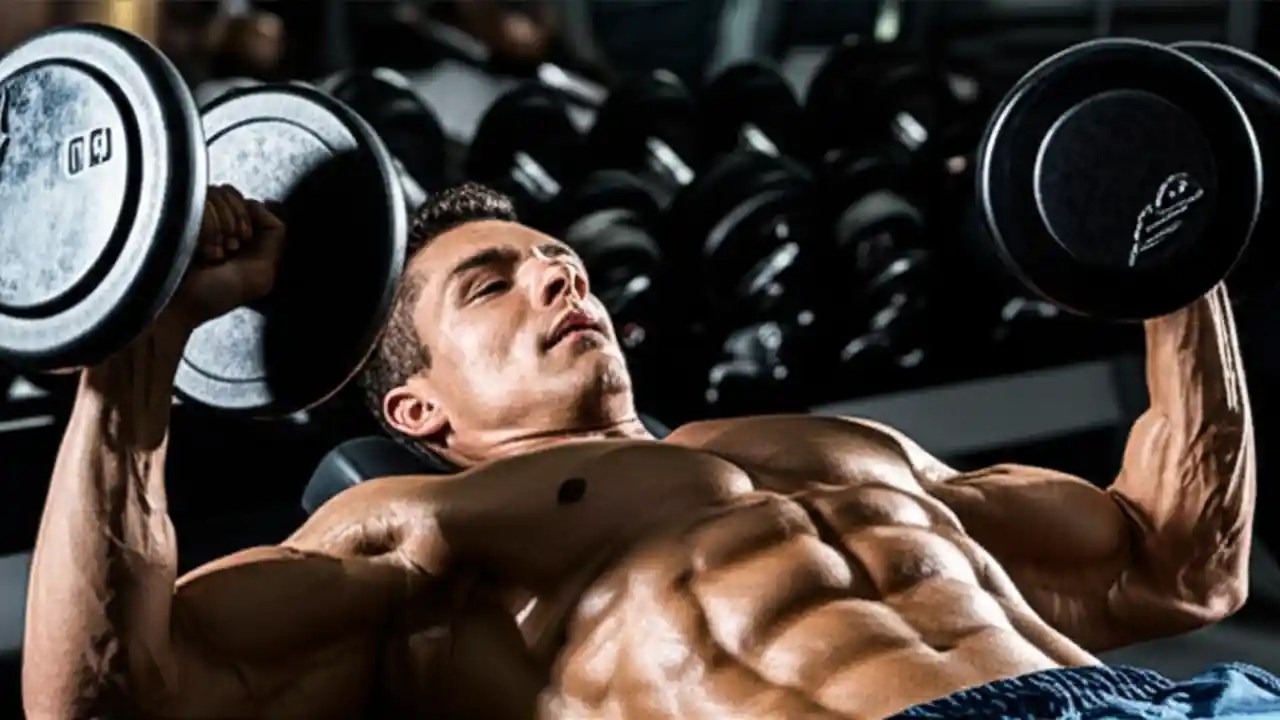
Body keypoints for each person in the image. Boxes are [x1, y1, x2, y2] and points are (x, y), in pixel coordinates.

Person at [20, 182, 1279, 719]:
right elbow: (104, 698)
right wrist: (139, 342)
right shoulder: (420, 525)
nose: (555, 277)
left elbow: (1177, 568)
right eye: (489, 285)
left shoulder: (828, 443)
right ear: (418, 411)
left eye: (558, 261)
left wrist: (1172, 265)